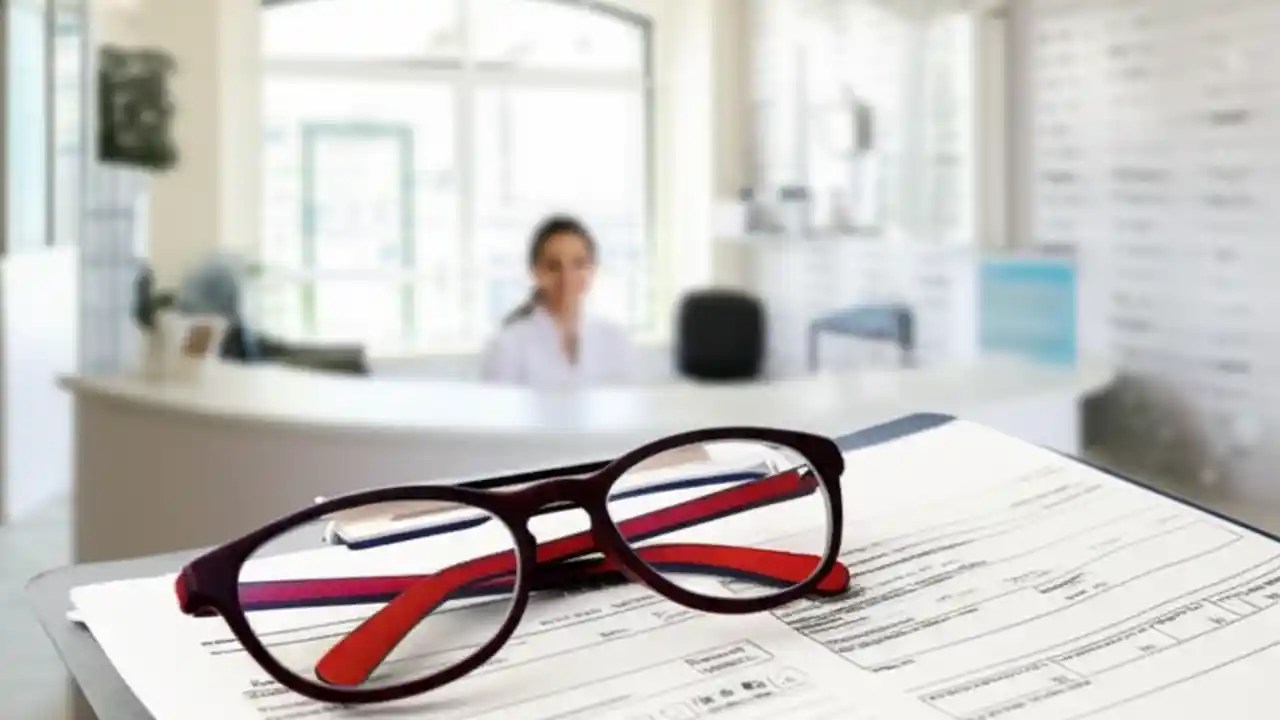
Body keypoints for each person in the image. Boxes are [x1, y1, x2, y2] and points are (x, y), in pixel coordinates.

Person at [481, 215, 636, 387]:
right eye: (554, 266)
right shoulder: (508, 344)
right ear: (535, 271)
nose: (566, 277)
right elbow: (499, 411)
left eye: (578, 264)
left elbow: (624, 408)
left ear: (593, 269)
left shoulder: (614, 339)